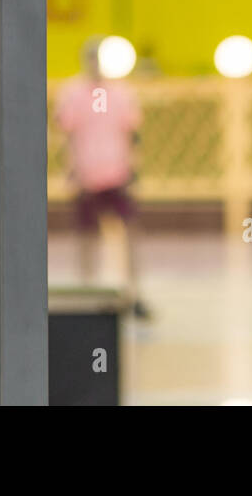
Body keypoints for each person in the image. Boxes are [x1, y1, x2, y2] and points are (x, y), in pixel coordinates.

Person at [55, 37, 148, 317]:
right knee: (87, 236)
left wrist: (133, 168)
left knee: (129, 233)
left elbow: (131, 133)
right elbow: (67, 132)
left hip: (116, 171)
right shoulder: (71, 92)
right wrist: (71, 168)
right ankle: (88, 290)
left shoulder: (121, 92)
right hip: (87, 173)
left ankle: (134, 292)